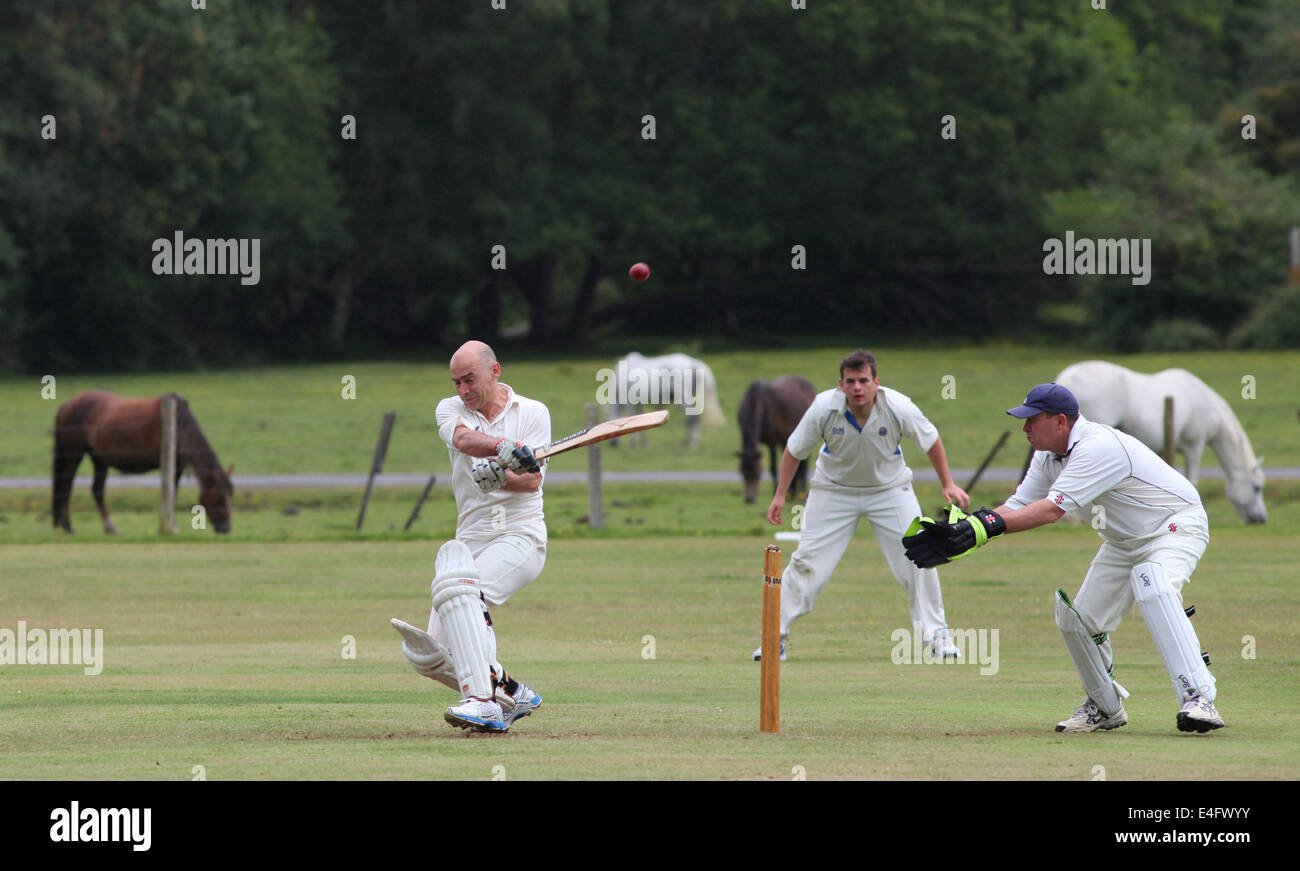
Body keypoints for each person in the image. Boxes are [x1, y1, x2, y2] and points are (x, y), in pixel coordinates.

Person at [901, 382, 1224, 733]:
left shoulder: (1097, 446)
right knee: (1078, 620)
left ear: (1059, 421)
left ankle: (1199, 698)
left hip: (1174, 525)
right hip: (1123, 540)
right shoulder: (1048, 455)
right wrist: (967, 530)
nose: (1024, 427)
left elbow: (1052, 511)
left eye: (1032, 420)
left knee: (1153, 582)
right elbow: (1020, 506)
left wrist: (985, 527)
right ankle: (1104, 707)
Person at [757, 350, 970, 662]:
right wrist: (779, 497)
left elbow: (931, 440)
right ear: (841, 385)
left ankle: (937, 636)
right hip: (833, 491)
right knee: (806, 561)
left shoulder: (898, 406)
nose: (857, 387)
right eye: (851, 381)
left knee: (920, 554)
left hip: (889, 490)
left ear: (876, 383)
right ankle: (774, 638)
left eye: (863, 381)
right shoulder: (823, 407)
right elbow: (793, 451)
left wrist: (948, 483)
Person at [389, 340, 548, 732]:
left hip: (520, 536)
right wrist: (503, 449)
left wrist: (503, 477)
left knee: (466, 597)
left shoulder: (532, 412)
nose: (462, 390)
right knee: (430, 656)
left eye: (470, 380)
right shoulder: (451, 409)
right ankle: (510, 691)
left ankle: (484, 703)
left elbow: (531, 481)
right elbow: (462, 439)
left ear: (494, 372)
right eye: (457, 381)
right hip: (471, 537)